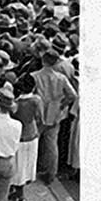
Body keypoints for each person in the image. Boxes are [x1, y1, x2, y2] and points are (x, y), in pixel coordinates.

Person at [32, 48, 78, 184]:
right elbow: (73, 95)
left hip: (39, 113)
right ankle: (51, 173)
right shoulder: (61, 78)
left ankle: (33, 170)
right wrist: (62, 104)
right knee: (52, 145)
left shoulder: (35, 76)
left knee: (34, 143)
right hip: (55, 114)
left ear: (43, 60)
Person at [9, 73, 44, 201]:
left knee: (19, 166)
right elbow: (40, 118)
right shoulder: (36, 100)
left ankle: (18, 192)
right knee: (28, 164)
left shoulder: (16, 104)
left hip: (20, 138)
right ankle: (20, 191)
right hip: (32, 135)